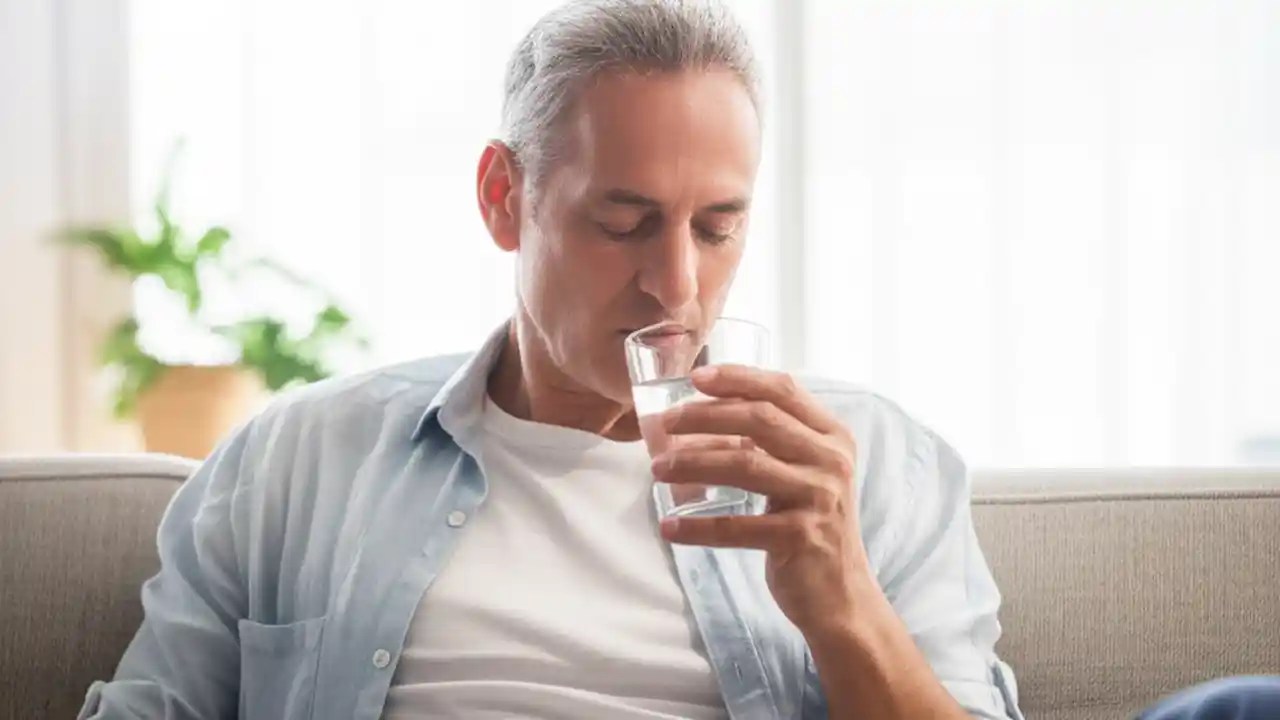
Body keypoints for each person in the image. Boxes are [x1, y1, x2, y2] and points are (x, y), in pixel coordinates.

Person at [79, 1, 1025, 718]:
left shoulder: (871, 468)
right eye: (625, 223)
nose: (679, 287)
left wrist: (844, 607)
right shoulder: (295, 463)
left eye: (718, 227)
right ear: (503, 198)